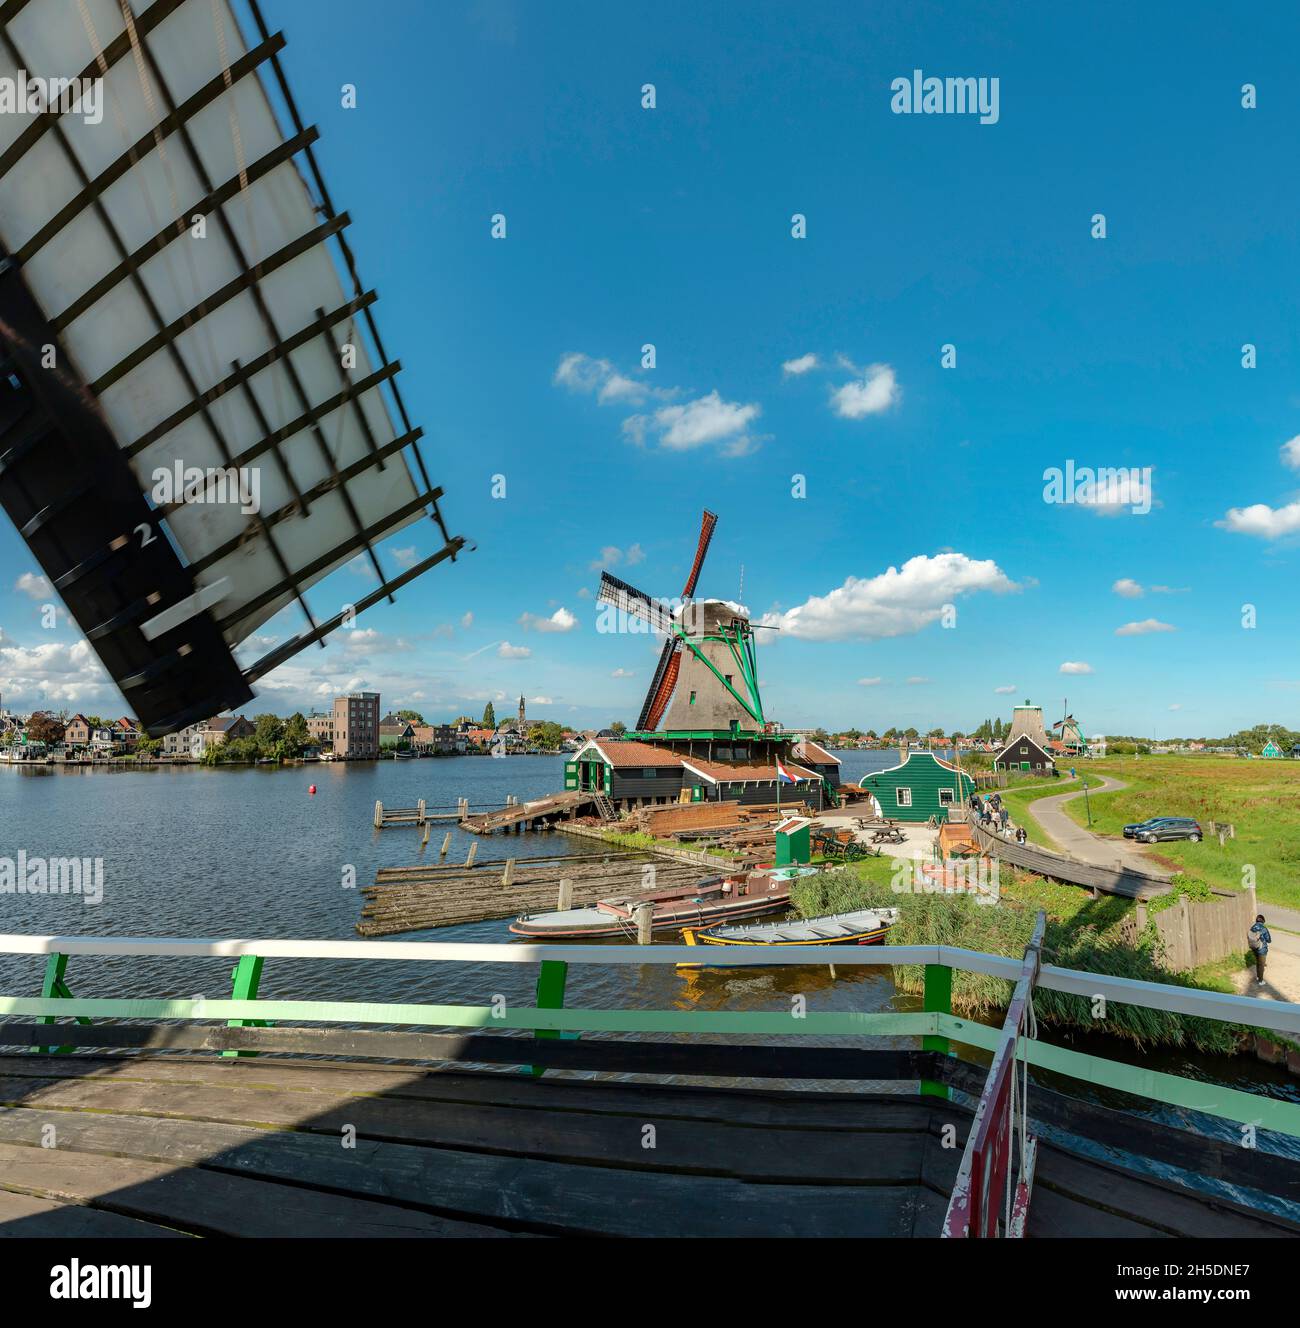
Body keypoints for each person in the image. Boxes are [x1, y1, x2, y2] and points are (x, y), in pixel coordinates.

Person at [1248, 915, 1272, 986]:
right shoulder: (1264, 928)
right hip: (1262, 949)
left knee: (1258, 963)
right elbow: (1269, 940)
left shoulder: (1252, 927)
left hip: (1254, 947)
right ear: (1263, 921)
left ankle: (1258, 977)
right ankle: (1260, 981)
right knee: (1261, 965)